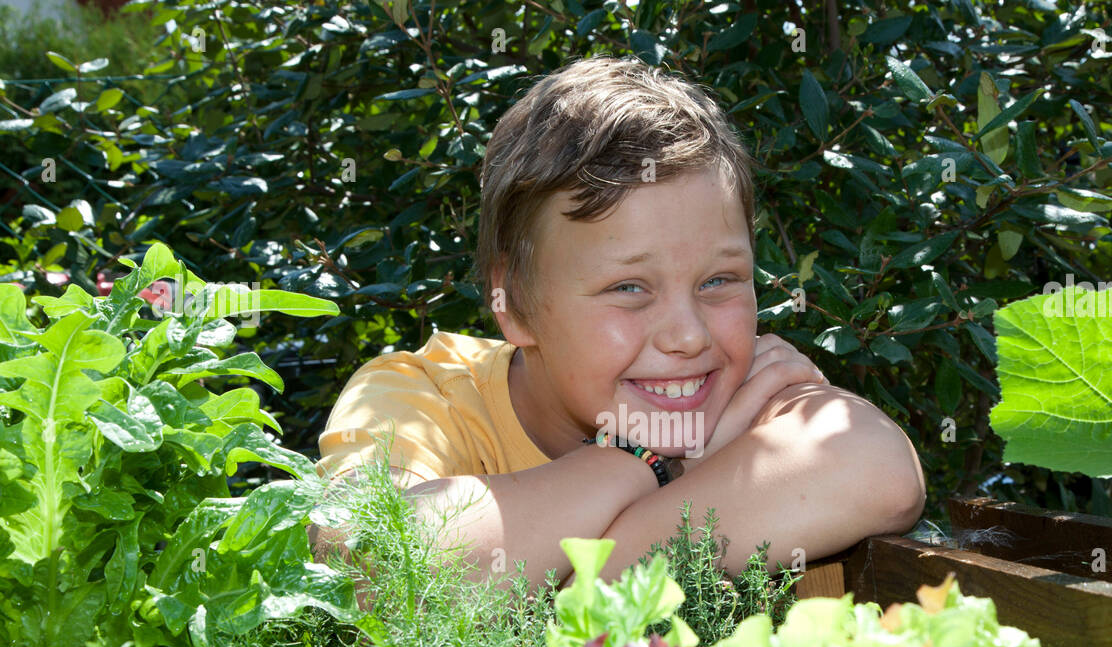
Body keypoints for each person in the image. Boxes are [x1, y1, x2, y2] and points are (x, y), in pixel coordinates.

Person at [311, 55, 925, 591]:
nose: (689, 338)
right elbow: (372, 563)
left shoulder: (741, 385)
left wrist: (565, 584)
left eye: (718, 281)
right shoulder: (423, 395)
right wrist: (645, 459)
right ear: (516, 305)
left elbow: (878, 472)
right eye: (629, 289)